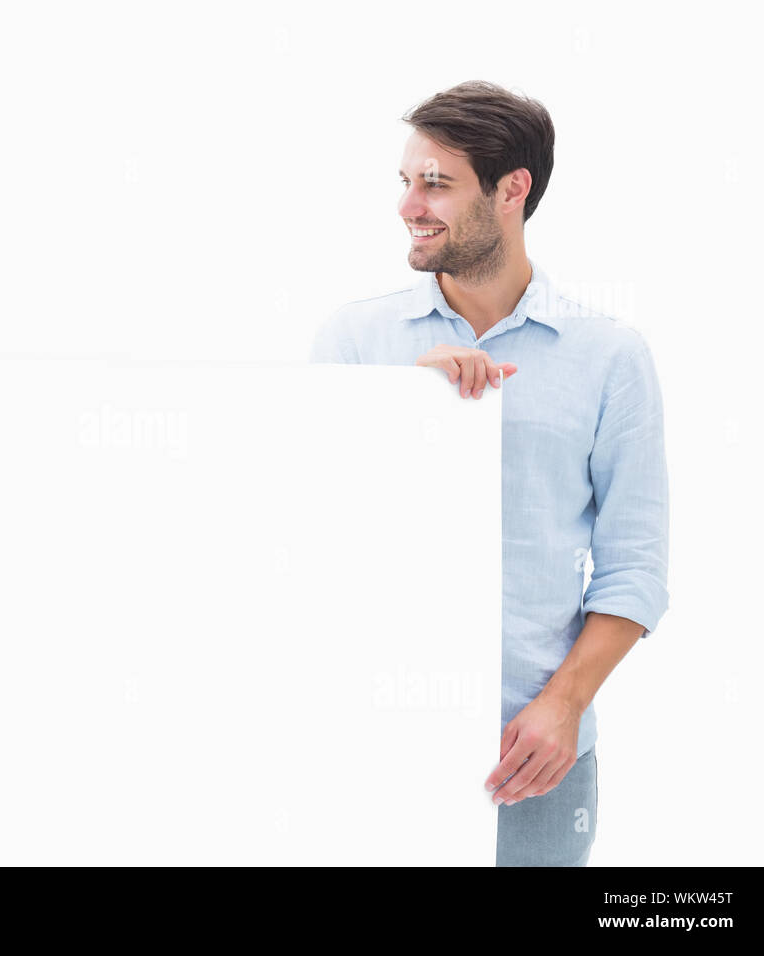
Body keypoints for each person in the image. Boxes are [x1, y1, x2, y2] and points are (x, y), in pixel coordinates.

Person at [310, 81, 670, 866]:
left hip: (533, 752)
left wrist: (564, 705)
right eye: (406, 182)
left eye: (436, 183)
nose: (410, 205)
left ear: (513, 189)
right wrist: (409, 409)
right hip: (367, 734)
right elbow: (303, 534)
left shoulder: (609, 356)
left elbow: (635, 568)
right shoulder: (355, 340)